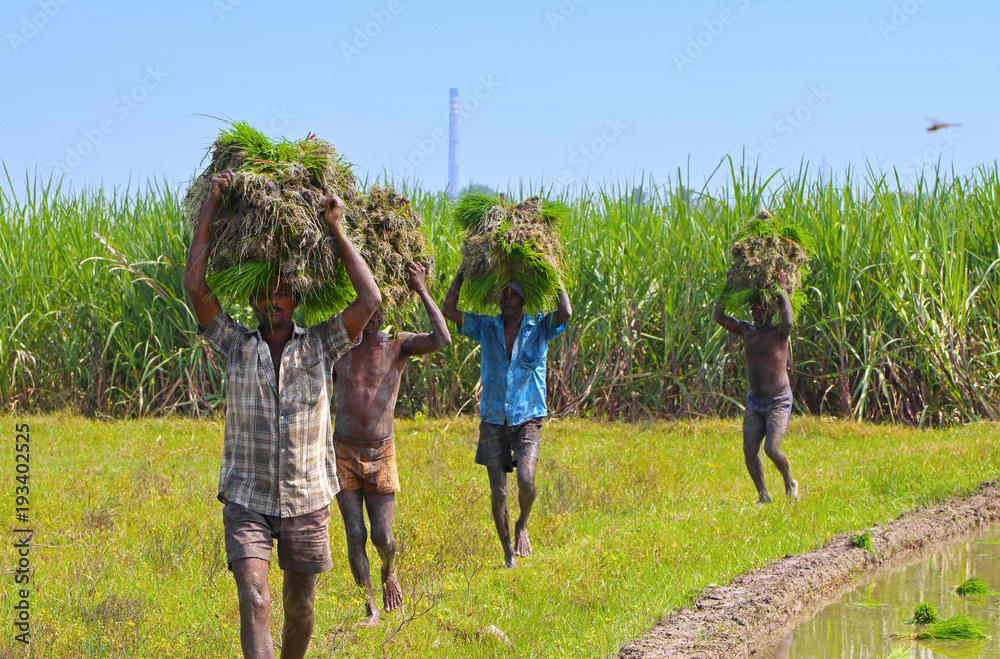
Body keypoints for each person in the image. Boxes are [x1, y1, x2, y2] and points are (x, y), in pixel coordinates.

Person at [183, 168, 381, 659]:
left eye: (283, 292)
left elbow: (370, 299)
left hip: (307, 496)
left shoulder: (320, 344)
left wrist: (335, 226)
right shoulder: (234, 344)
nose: (274, 300)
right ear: (252, 300)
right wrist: (211, 203)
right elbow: (195, 288)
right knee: (254, 596)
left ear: (296, 298)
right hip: (247, 495)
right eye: (265, 293)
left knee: (299, 611)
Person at [331, 261, 451, 625]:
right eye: (364, 309)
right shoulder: (337, 349)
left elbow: (443, 339)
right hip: (343, 451)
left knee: (383, 536)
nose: (370, 317)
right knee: (355, 533)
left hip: (381, 452)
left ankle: (389, 569)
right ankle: (369, 607)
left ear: (384, 310)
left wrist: (421, 290)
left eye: (376, 310)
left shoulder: (398, 346)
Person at [441, 273, 571, 567]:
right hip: (493, 418)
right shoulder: (486, 327)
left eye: (514, 295)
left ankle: (522, 524)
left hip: (527, 418)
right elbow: (448, 310)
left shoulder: (539, 327)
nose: (508, 300)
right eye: (504, 295)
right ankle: (506, 552)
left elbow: (566, 312)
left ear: (525, 299)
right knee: (498, 492)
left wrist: (553, 272)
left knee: (526, 480)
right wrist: (462, 275)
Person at [713, 271, 799, 504]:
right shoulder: (746, 331)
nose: (757, 313)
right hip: (755, 401)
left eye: (762, 309)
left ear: (771, 310)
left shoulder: (779, 333)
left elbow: (789, 320)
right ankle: (763, 496)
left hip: (778, 399)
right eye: (753, 310)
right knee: (750, 451)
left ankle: (789, 482)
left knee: (772, 449)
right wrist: (728, 284)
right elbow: (718, 316)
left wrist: (781, 289)